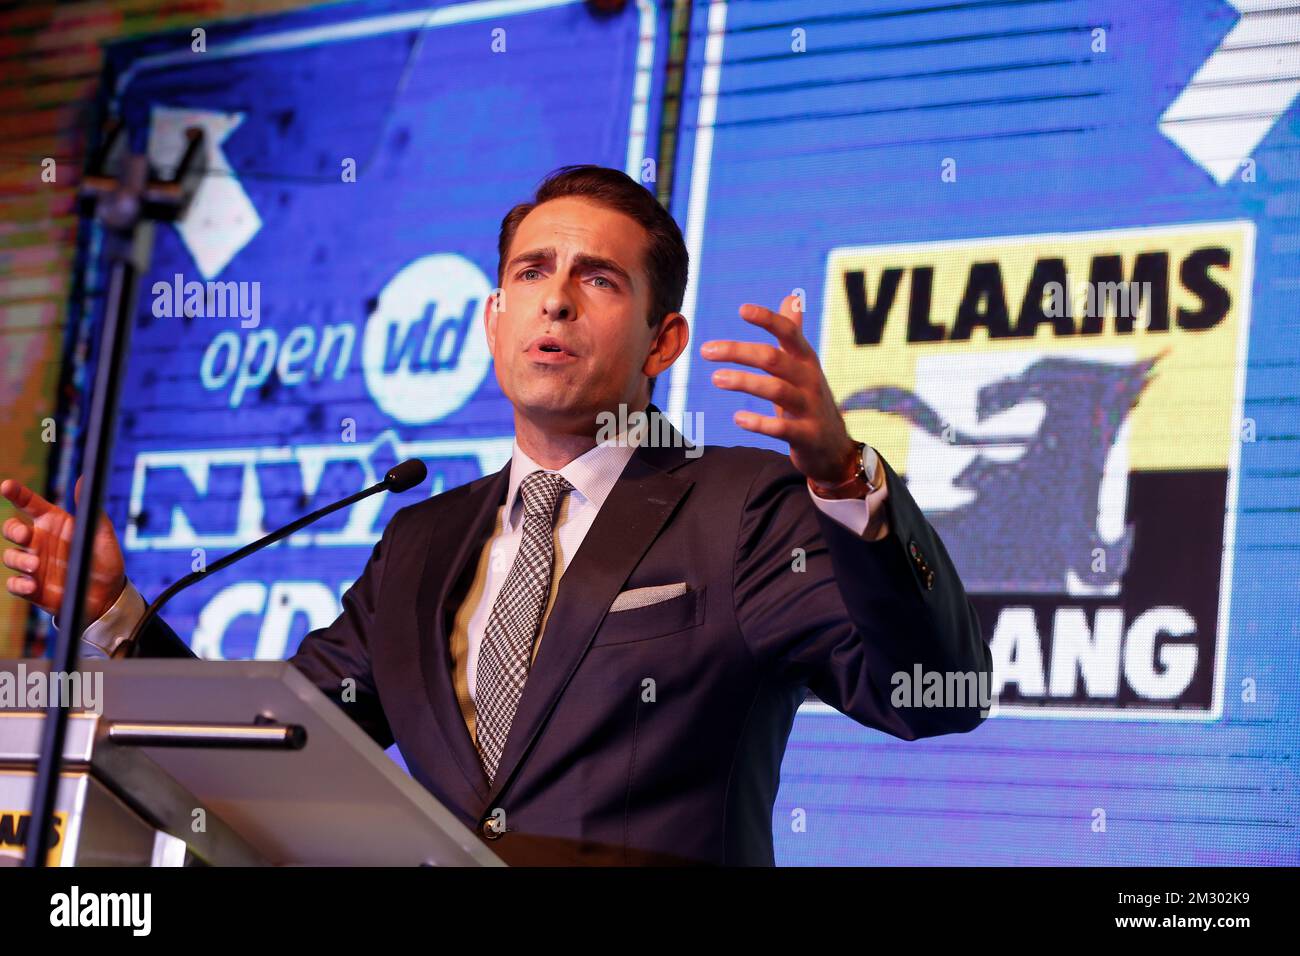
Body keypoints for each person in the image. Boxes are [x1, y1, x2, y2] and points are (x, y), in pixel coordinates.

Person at [2, 164, 990, 866]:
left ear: (664, 339)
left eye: (598, 279)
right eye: (530, 271)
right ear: (492, 319)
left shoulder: (741, 503)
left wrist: (844, 476)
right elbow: (277, 740)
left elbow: (934, 694)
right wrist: (113, 616)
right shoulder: (420, 540)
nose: (555, 300)